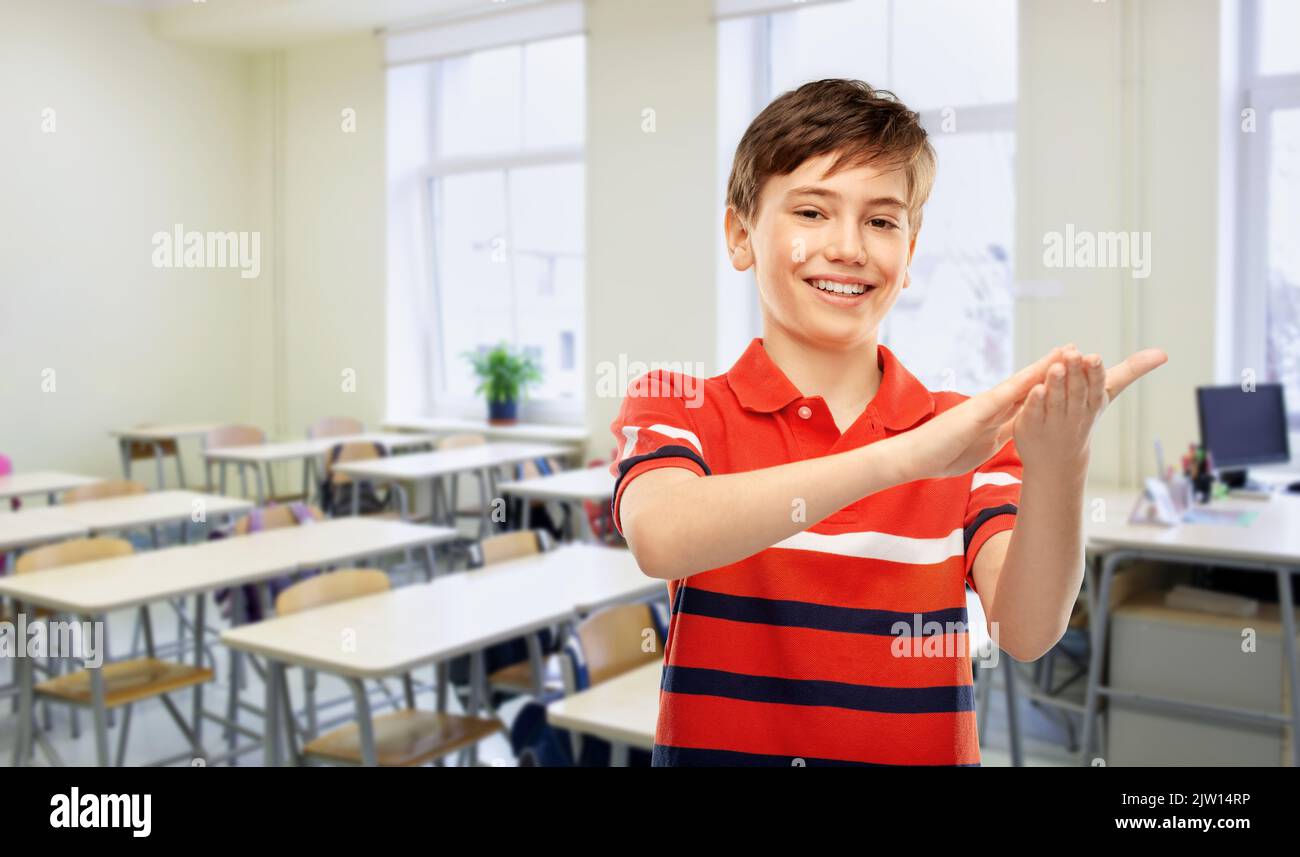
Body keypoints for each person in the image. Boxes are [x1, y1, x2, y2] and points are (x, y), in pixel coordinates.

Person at [608, 79, 1166, 766]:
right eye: (812, 212)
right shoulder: (678, 403)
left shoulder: (963, 432)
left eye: (881, 220)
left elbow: (1025, 630)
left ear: (909, 249)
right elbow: (661, 536)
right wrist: (905, 458)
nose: (848, 247)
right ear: (740, 233)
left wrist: (1062, 462)